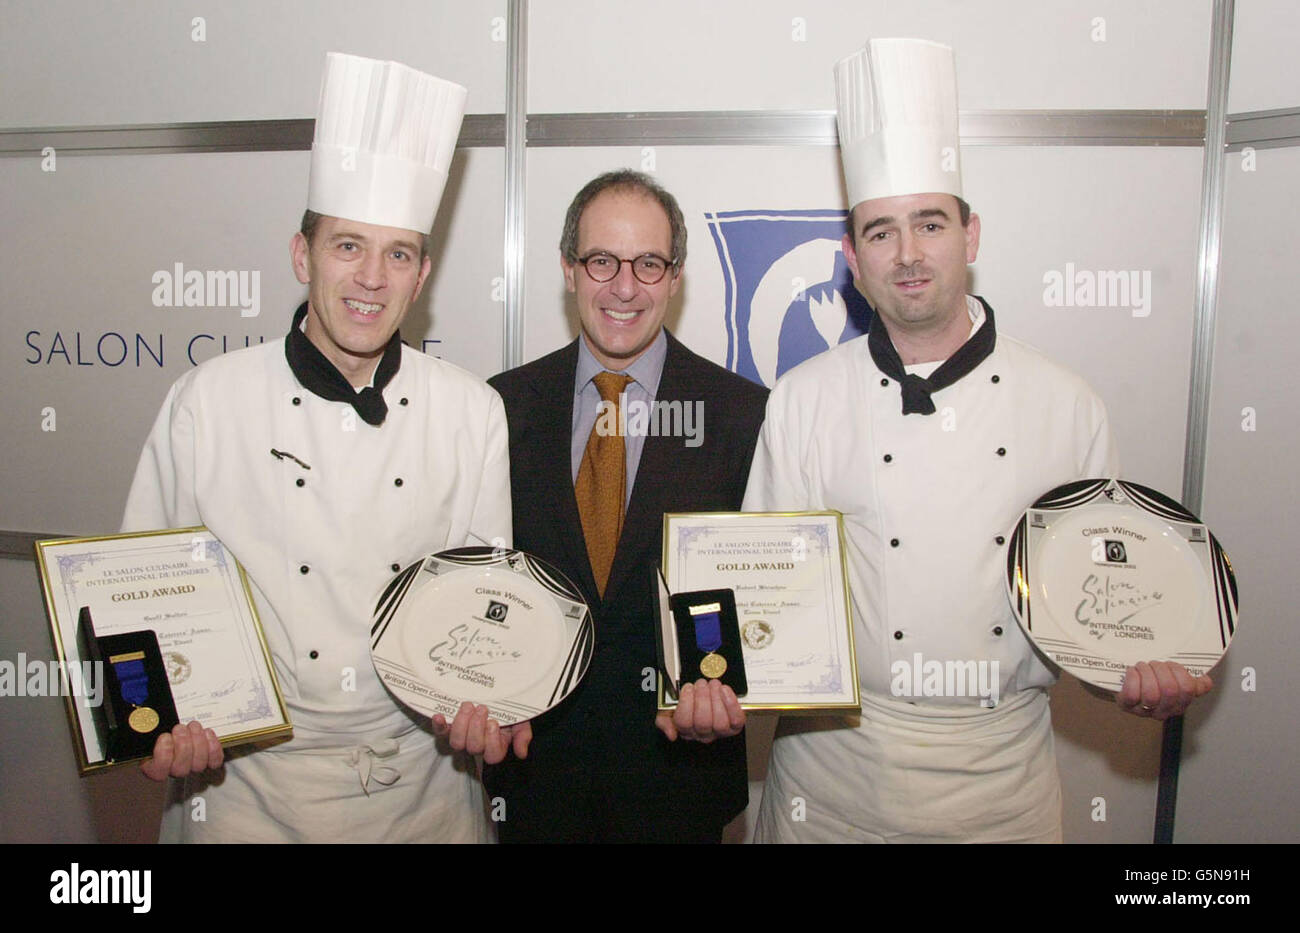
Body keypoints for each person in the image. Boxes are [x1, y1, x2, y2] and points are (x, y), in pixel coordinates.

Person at [745, 38, 1212, 843]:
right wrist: (716, 673)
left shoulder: (1068, 405)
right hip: (828, 792)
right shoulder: (802, 399)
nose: (910, 254)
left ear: (972, 234)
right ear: (854, 260)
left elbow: (1101, 607)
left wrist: (1137, 673)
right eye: (882, 233)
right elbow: (763, 598)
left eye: (930, 223)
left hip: (1003, 796)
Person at [121, 52, 523, 843]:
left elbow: (487, 612)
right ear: (302, 257)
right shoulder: (207, 402)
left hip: (424, 797)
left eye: (398, 253)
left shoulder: (472, 412)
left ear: (423, 274)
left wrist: (495, 707)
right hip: (244, 794)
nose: (372, 277)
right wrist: (155, 721)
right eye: (348, 246)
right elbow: (139, 596)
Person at [483, 170, 769, 842]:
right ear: (567, 269)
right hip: (534, 783)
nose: (624, 286)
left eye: (648, 263)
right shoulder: (501, 408)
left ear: (676, 276)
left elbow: (763, 598)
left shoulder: (740, 414)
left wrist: (729, 685)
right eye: (602, 260)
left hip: (679, 788)